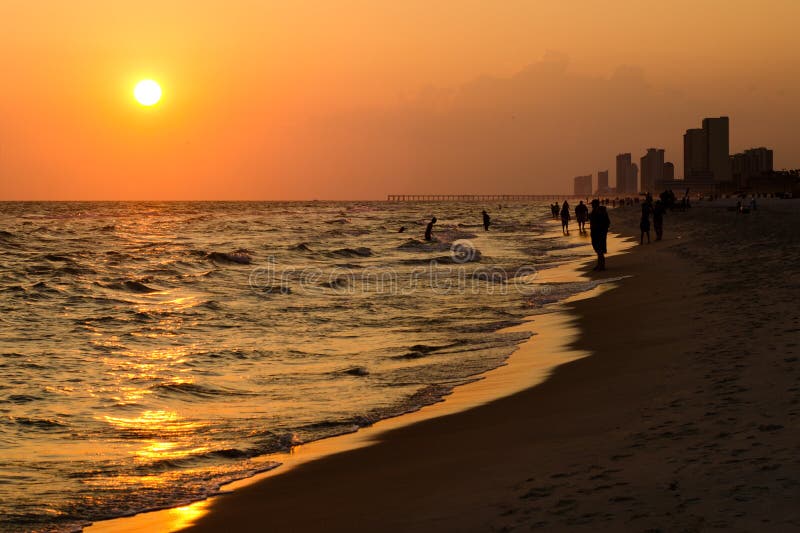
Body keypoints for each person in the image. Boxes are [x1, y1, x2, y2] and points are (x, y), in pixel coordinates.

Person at [589, 199, 610, 271]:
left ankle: (601, 266)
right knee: (599, 249)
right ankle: (599, 265)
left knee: (599, 249)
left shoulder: (598, 212)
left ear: (595, 204)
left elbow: (605, 222)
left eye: (592, 204)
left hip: (598, 232)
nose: (591, 205)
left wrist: (600, 229)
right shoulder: (598, 211)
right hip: (598, 232)